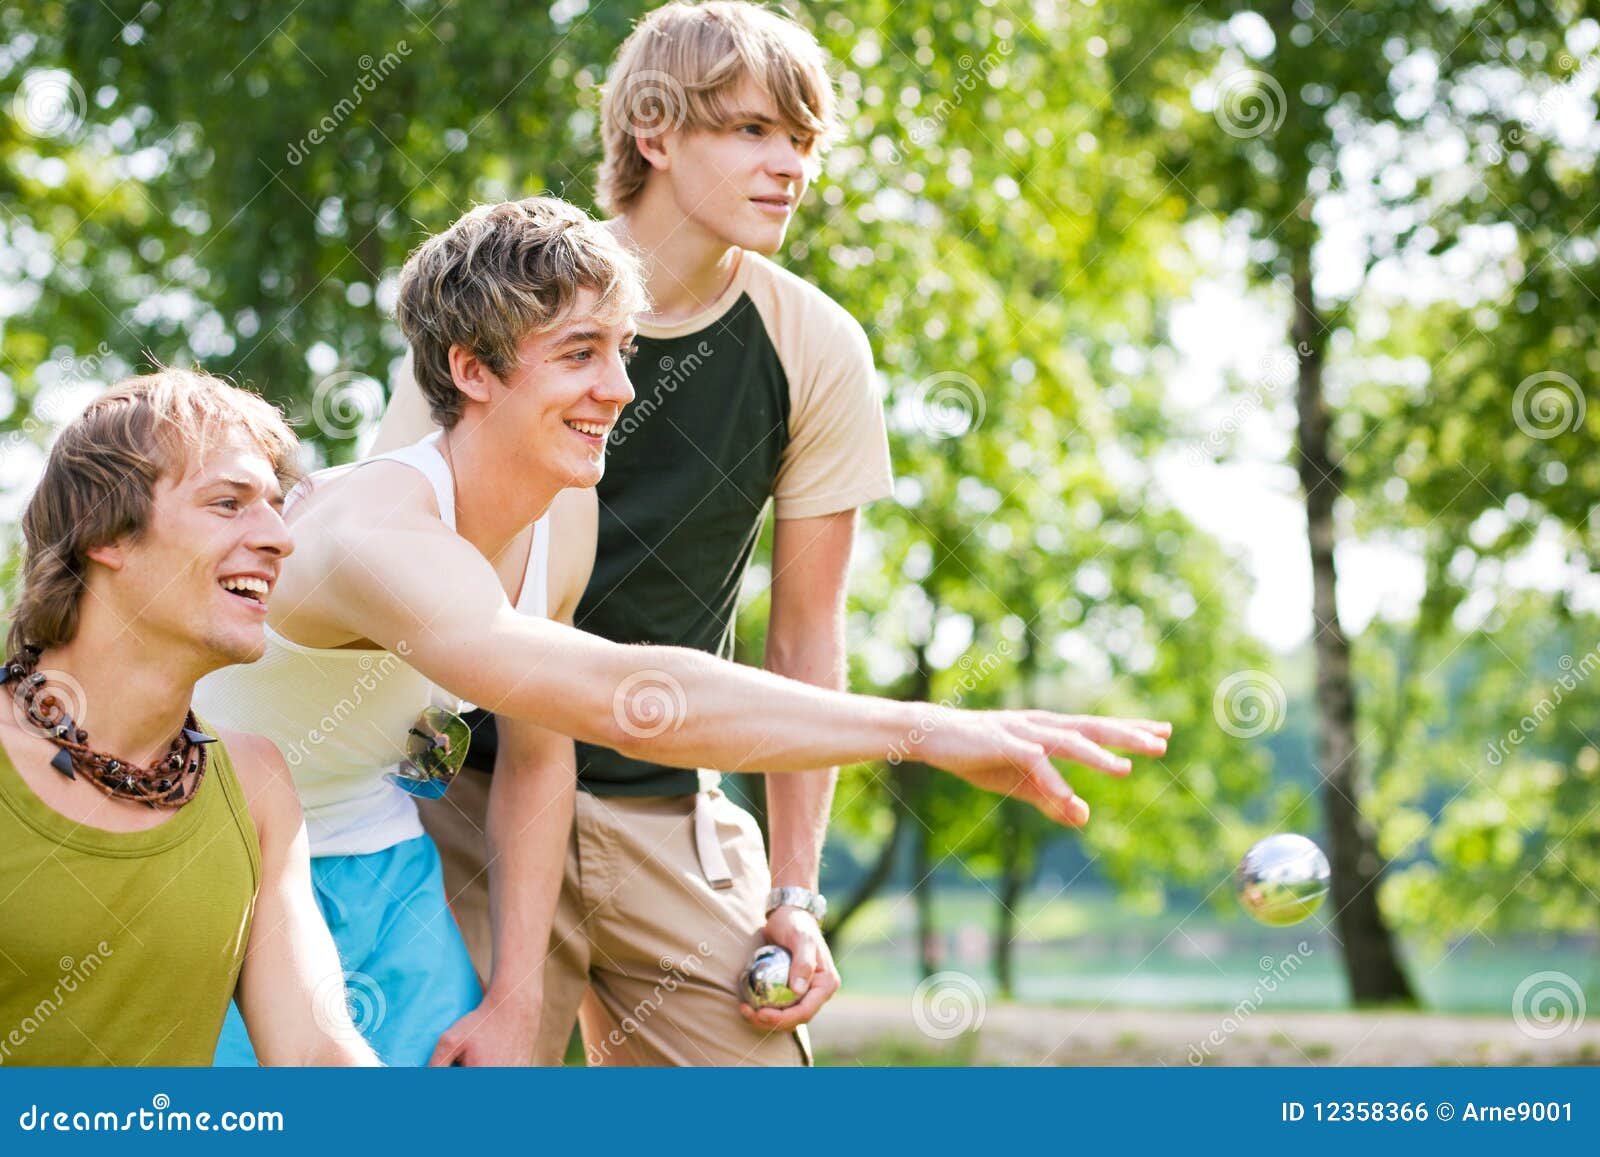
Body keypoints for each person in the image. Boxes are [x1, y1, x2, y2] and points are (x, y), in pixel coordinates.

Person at [254, 192, 1170, 1068]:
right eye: (579, 355)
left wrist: (516, 1001)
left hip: (380, 868)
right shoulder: (377, 528)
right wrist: (925, 729)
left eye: (622, 351)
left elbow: (539, 752)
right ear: (471, 369)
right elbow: (628, 700)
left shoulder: (559, 514)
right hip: (232, 871)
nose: (617, 388)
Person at [0, 369, 378, 1066]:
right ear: (105, 531)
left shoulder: (257, 785)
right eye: (229, 503)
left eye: (273, 504)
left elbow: (316, 1056)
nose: (278, 537)